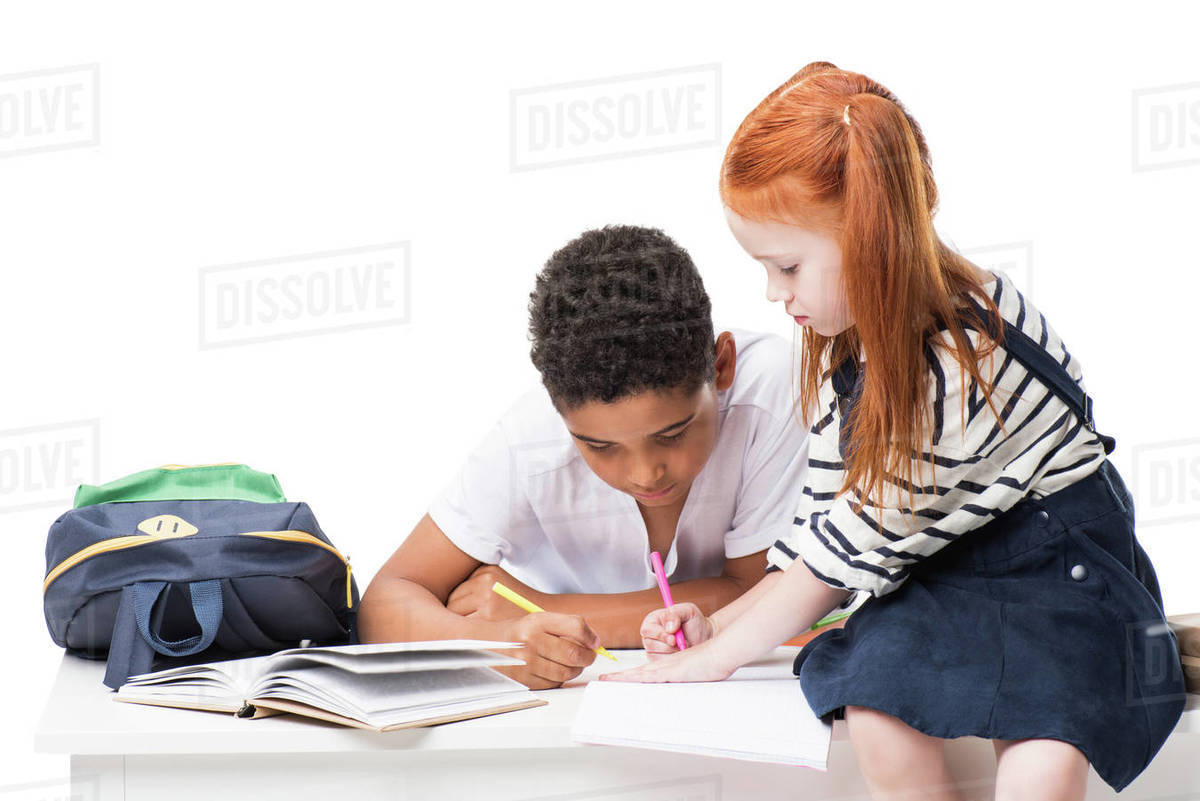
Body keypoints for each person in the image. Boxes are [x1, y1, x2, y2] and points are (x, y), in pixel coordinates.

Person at [599, 62, 1186, 799]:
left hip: (1056, 571)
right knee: (877, 711)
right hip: (943, 569)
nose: (775, 294)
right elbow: (823, 527)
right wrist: (718, 624)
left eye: (787, 266)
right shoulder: (845, 342)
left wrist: (717, 656)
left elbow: (838, 561)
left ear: (875, 240)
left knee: (1045, 740)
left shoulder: (961, 362)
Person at [358, 224, 812, 689]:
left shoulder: (774, 391)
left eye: (673, 433)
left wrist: (551, 609)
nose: (645, 473)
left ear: (721, 367)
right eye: (599, 446)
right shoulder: (529, 438)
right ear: (558, 412)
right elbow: (385, 603)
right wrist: (493, 646)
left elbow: (766, 592)